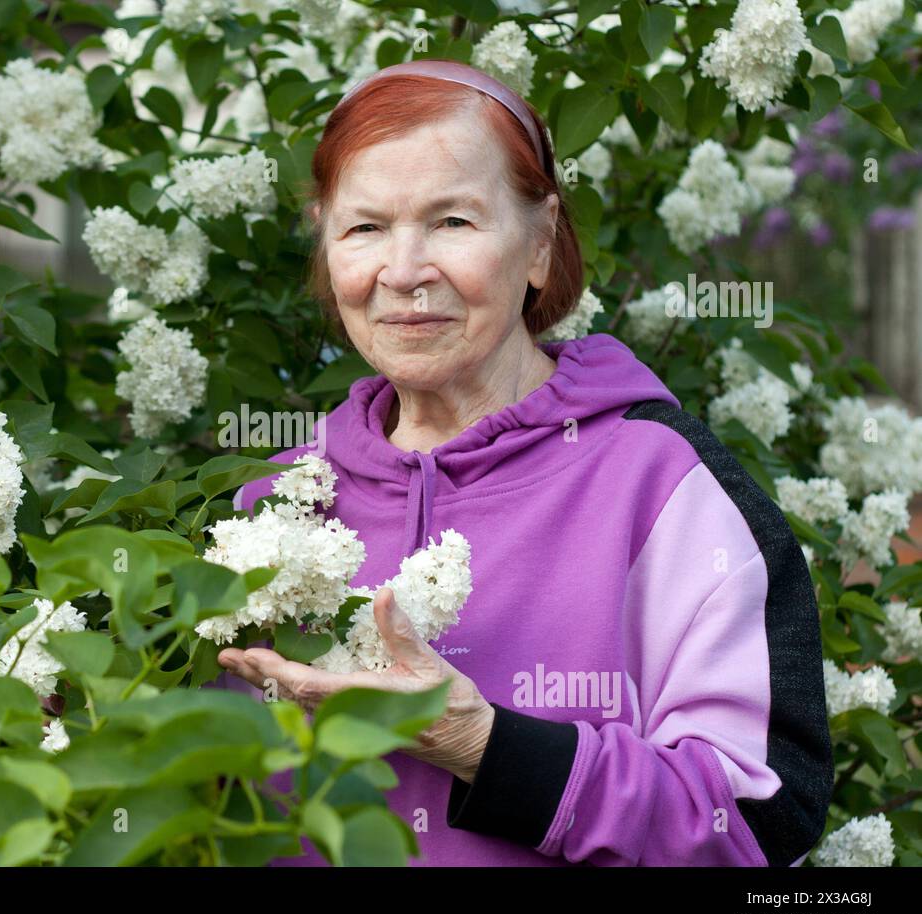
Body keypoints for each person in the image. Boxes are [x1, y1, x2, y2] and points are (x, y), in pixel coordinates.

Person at [212, 59, 834, 866]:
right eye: (364, 228)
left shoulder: (660, 482)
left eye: (453, 222)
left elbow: (763, 818)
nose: (403, 273)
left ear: (540, 243)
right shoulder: (270, 506)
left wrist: (486, 748)